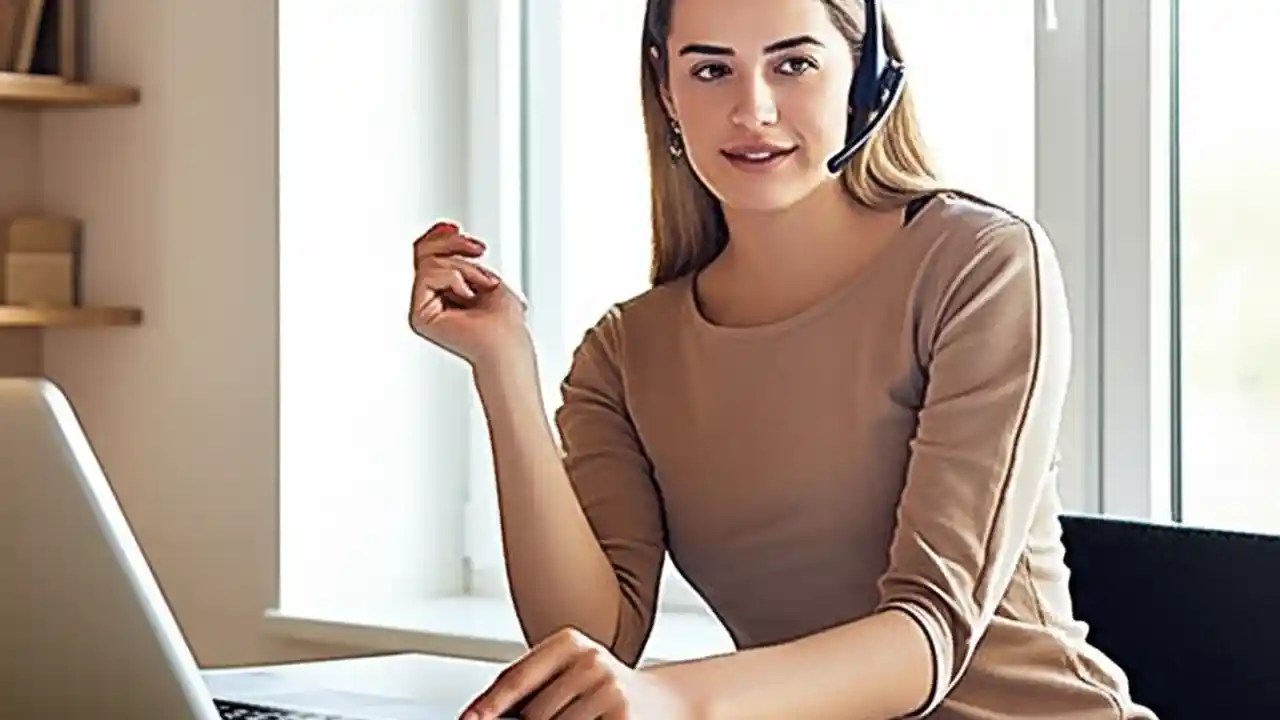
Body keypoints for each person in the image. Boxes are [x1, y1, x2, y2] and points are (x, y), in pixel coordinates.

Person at [410, 0, 1158, 717]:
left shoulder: (977, 265)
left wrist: (675, 700)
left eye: (793, 64)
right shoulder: (625, 355)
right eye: (710, 71)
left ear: (868, 79)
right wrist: (503, 369)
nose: (753, 109)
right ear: (665, 90)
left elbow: (927, 636)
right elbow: (593, 645)